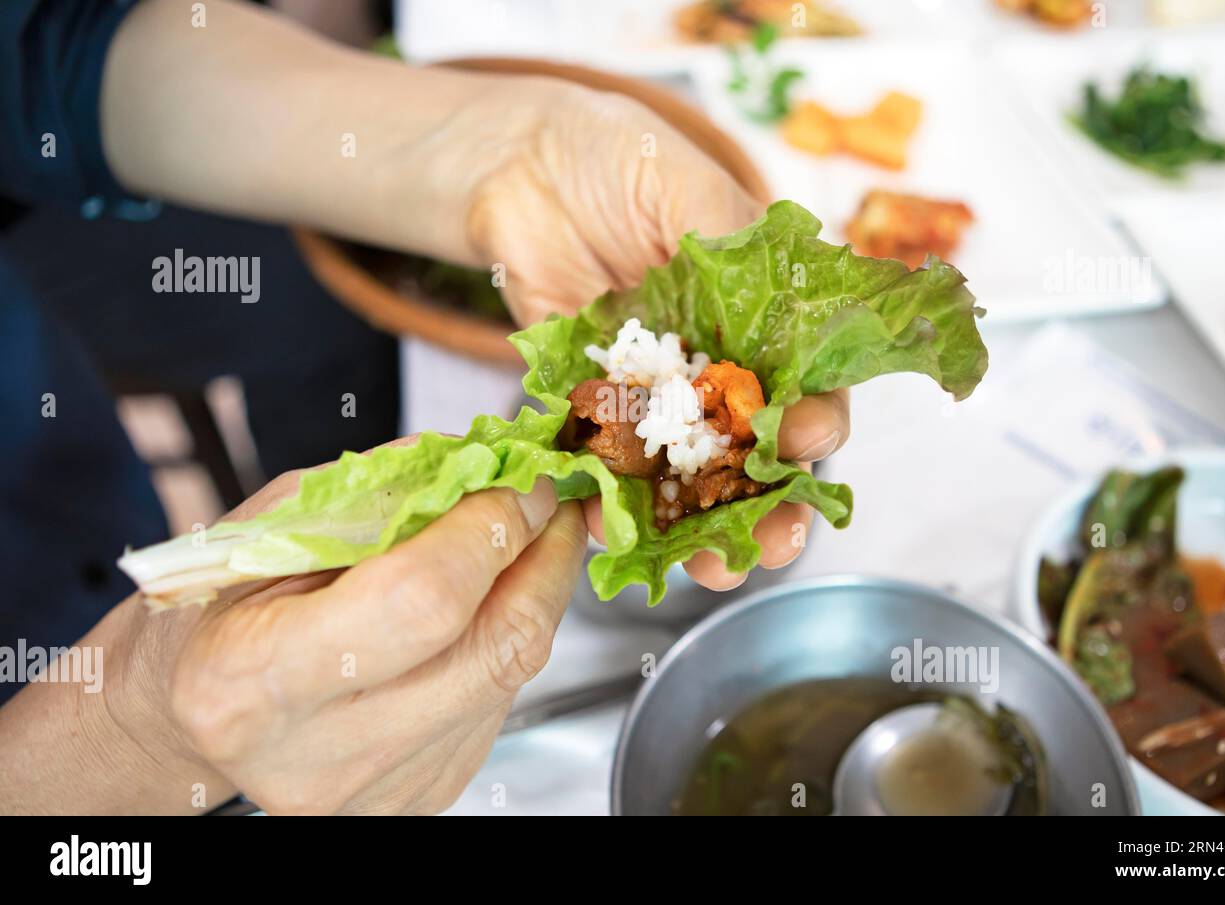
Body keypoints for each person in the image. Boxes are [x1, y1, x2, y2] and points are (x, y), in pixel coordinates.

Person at [0, 0, 849, 814]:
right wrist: (131, 736)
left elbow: (42, 47)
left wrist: (507, 149)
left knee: (320, 314)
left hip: (48, 430)